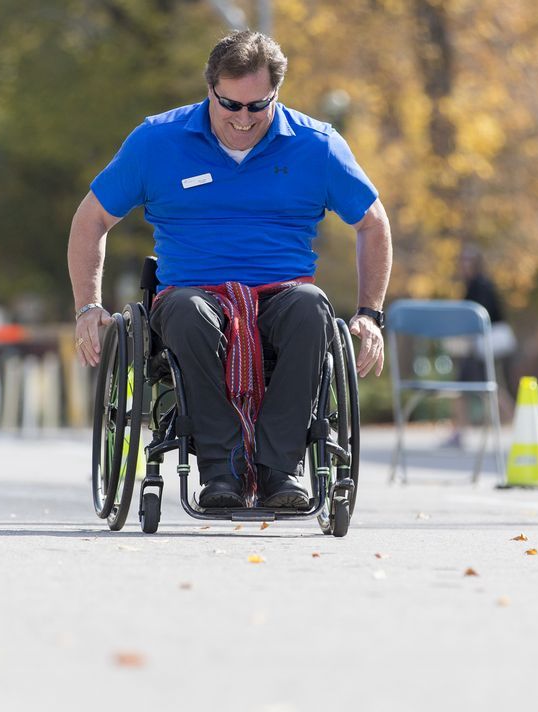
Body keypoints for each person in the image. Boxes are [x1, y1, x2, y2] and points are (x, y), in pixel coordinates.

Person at [67, 30, 393, 510]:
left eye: (257, 106)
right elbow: (91, 218)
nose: (243, 118)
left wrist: (369, 313)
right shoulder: (156, 141)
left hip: (283, 292)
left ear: (276, 93)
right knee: (187, 313)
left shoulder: (317, 145)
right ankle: (222, 469)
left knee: (312, 309)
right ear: (210, 90)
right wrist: (88, 306)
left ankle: (280, 470)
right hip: (192, 292)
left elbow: (373, 223)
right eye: (230, 104)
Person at [443, 245, 515, 448]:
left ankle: (460, 431)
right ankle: (460, 430)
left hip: (481, 346)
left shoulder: (481, 285)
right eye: (462, 261)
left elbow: (480, 316)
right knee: (484, 384)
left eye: (468, 261)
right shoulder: (473, 285)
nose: (464, 265)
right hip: (477, 347)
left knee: (474, 385)